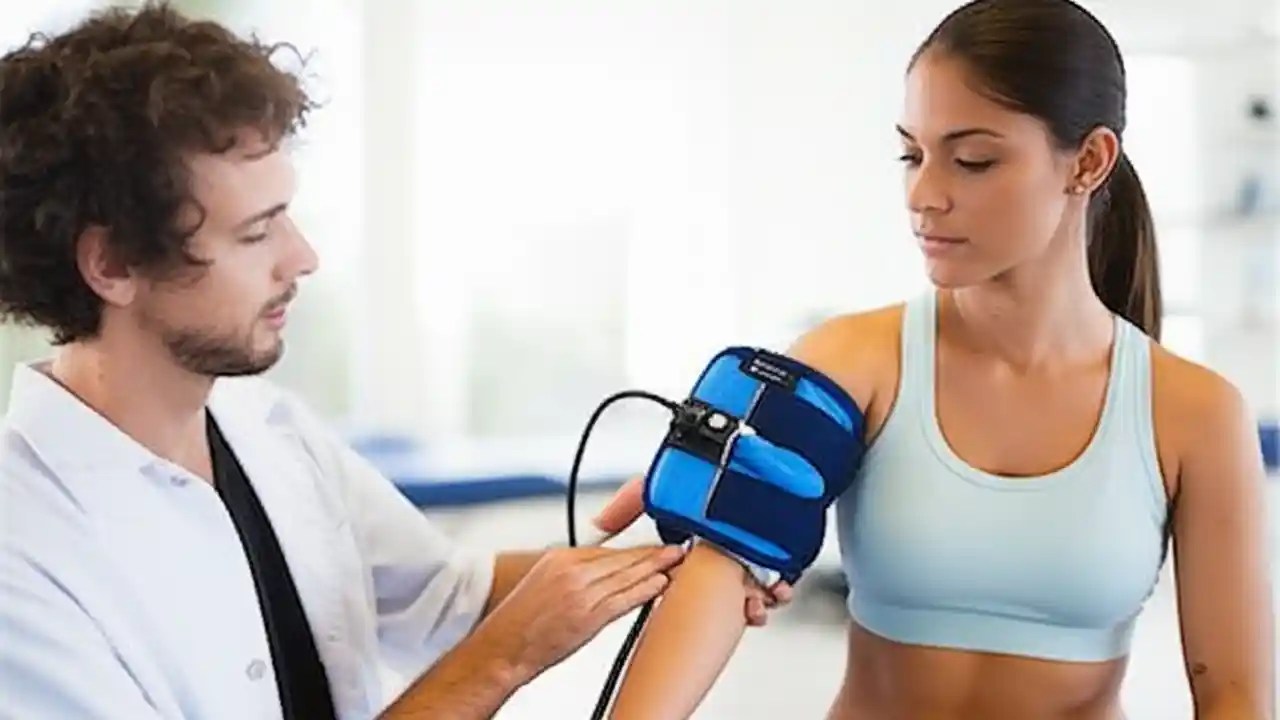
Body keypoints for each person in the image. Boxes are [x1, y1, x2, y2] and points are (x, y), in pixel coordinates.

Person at [0, 4, 788, 719]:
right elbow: (493, 637)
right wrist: (505, 659)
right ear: (111, 266)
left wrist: (685, 555)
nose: (301, 257)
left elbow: (445, 598)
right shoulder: (25, 556)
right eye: (255, 233)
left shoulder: (266, 429)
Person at [591, 0, 1276, 717]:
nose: (923, 195)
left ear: (1090, 162)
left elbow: (1233, 694)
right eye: (911, 154)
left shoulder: (1193, 414)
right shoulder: (854, 363)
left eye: (973, 160)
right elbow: (722, 563)